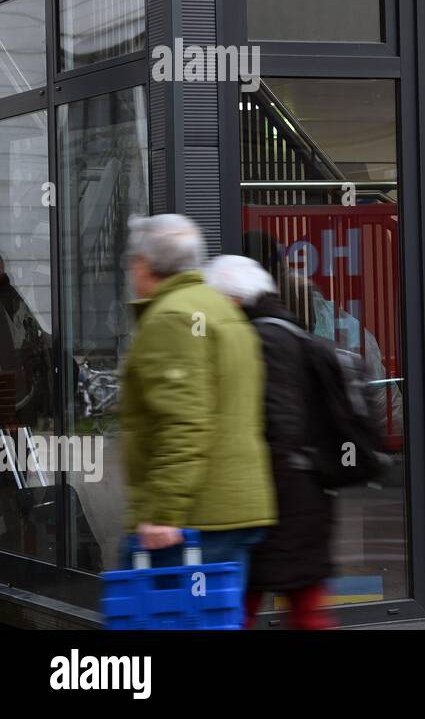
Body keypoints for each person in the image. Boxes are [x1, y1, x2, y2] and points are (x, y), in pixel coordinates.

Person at [118, 215, 275, 612]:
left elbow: (184, 423)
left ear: (144, 264)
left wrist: (163, 513)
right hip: (233, 509)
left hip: (195, 518)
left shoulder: (172, 317)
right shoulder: (219, 307)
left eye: (132, 261)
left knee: (161, 619)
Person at [205, 255, 336, 630]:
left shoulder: (262, 340)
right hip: (304, 496)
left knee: (239, 609)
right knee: (304, 608)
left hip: (279, 500)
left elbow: (280, 423)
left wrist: (254, 490)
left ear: (233, 299)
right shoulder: (290, 331)